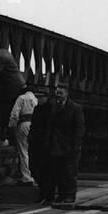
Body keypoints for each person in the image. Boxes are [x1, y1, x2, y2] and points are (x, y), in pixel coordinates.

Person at [31, 79, 84, 207]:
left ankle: (70, 195)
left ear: (66, 93)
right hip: (55, 144)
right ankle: (61, 194)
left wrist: (76, 145)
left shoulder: (75, 108)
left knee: (70, 172)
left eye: (60, 93)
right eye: (57, 92)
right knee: (58, 171)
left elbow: (79, 128)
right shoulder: (53, 106)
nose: (58, 95)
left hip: (69, 144)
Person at [7, 84, 38, 185]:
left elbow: (15, 113)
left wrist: (11, 126)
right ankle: (35, 175)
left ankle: (27, 177)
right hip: (34, 125)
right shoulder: (36, 99)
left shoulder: (22, 97)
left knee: (23, 151)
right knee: (33, 151)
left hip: (23, 124)